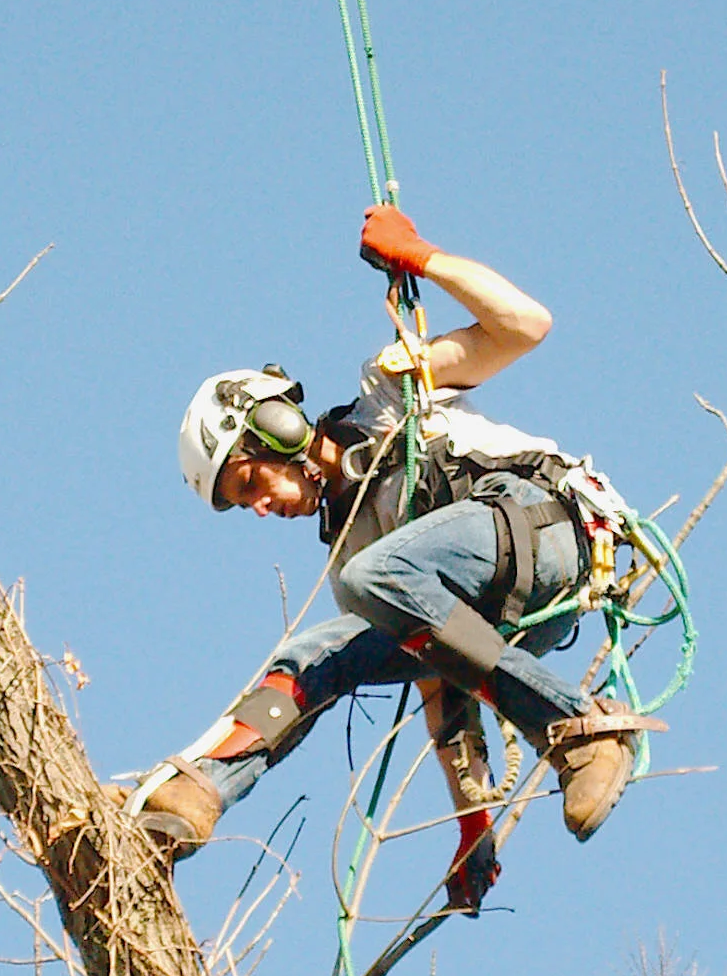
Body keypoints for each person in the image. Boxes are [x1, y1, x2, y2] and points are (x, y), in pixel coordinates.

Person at [117, 206, 663, 913]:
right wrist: (474, 824)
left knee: (367, 580)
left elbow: (525, 325)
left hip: (546, 527)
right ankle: (194, 795)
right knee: (315, 652)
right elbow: (448, 689)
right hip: (499, 618)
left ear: (277, 430)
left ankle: (578, 726)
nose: (258, 508)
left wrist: (421, 256)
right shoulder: (357, 553)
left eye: (251, 481)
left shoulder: (388, 396)